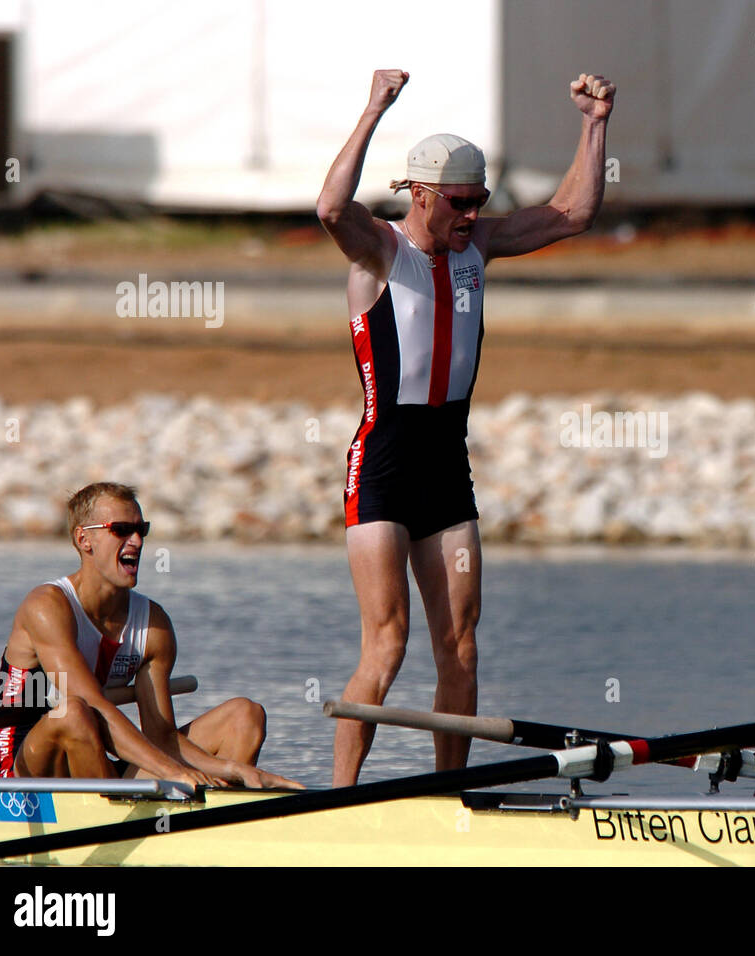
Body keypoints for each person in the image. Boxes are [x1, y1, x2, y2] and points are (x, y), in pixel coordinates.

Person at [318, 69, 616, 783]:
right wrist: (372, 110)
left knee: (461, 647)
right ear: (419, 194)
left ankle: (449, 793)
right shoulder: (379, 251)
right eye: (460, 202)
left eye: (480, 201)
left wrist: (595, 122)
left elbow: (571, 213)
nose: (472, 214)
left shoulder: (478, 246)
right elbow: (331, 207)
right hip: (384, 463)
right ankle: (336, 798)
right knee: (387, 645)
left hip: (447, 470)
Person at [0, 482, 299, 789]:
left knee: (244, 715)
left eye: (142, 529)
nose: (137, 541)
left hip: (98, 758)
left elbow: (161, 736)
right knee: (75, 713)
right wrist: (172, 773)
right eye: (122, 530)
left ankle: (212, 812)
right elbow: (92, 706)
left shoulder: (154, 623)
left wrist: (230, 768)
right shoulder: (47, 606)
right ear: (84, 539)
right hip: (29, 771)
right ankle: (111, 818)